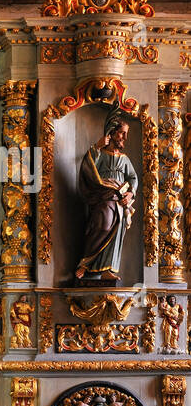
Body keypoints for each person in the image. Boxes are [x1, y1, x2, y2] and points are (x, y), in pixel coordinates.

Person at [74, 112, 138, 285]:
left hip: (119, 201)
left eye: (125, 133)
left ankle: (107, 270)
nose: (125, 137)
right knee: (103, 225)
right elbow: (87, 167)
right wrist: (96, 146)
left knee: (117, 230)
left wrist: (130, 194)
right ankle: (86, 263)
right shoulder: (100, 154)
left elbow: (133, 178)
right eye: (121, 133)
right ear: (111, 133)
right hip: (103, 197)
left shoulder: (124, 159)